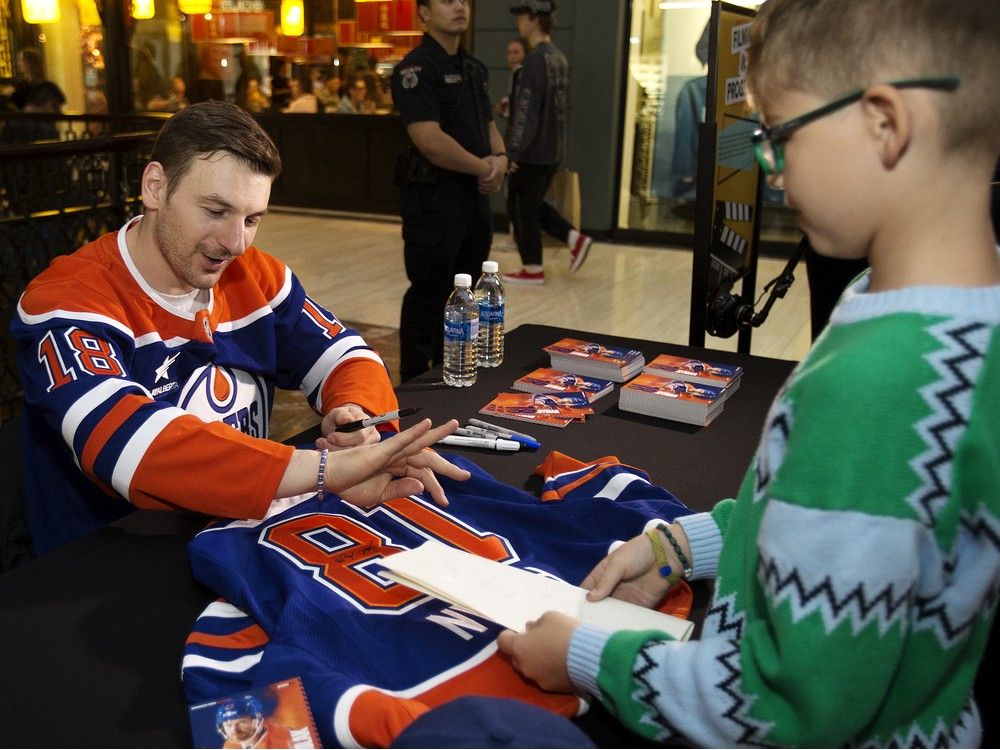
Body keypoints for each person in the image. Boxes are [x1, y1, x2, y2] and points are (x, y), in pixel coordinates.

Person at [498, 0, 1000, 745]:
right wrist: (679, 545)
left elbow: (783, 709)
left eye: (778, 136)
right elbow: (837, 532)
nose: (769, 170)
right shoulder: (942, 318)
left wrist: (584, 654)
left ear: (884, 125)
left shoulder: (873, 387)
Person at [10, 101, 467, 556]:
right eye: (215, 211)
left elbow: (348, 354)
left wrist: (354, 419)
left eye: (251, 219)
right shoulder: (67, 301)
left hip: (232, 536)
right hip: (104, 565)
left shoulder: (257, 276)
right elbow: (132, 445)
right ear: (154, 187)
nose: (235, 243)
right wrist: (325, 468)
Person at [389, 0, 507, 382]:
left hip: (473, 199)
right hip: (434, 200)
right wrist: (484, 168)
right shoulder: (415, 69)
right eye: (446, 0)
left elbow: (488, 123)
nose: (459, 6)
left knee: (467, 288)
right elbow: (429, 139)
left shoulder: (473, 67)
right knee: (429, 291)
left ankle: (451, 367)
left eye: (463, 0)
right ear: (423, 13)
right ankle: (413, 381)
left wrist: (500, 158)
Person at [501, 1, 593, 286]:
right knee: (529, 203)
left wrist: (511, 152)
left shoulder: (534, 61)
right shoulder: (558, 58)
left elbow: (527, 112)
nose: (518, 23)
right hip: (553, 149)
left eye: (522, 18)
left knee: (520, 205)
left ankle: (532, 269)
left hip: (532, 150)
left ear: (534, 20)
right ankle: (573, 239)